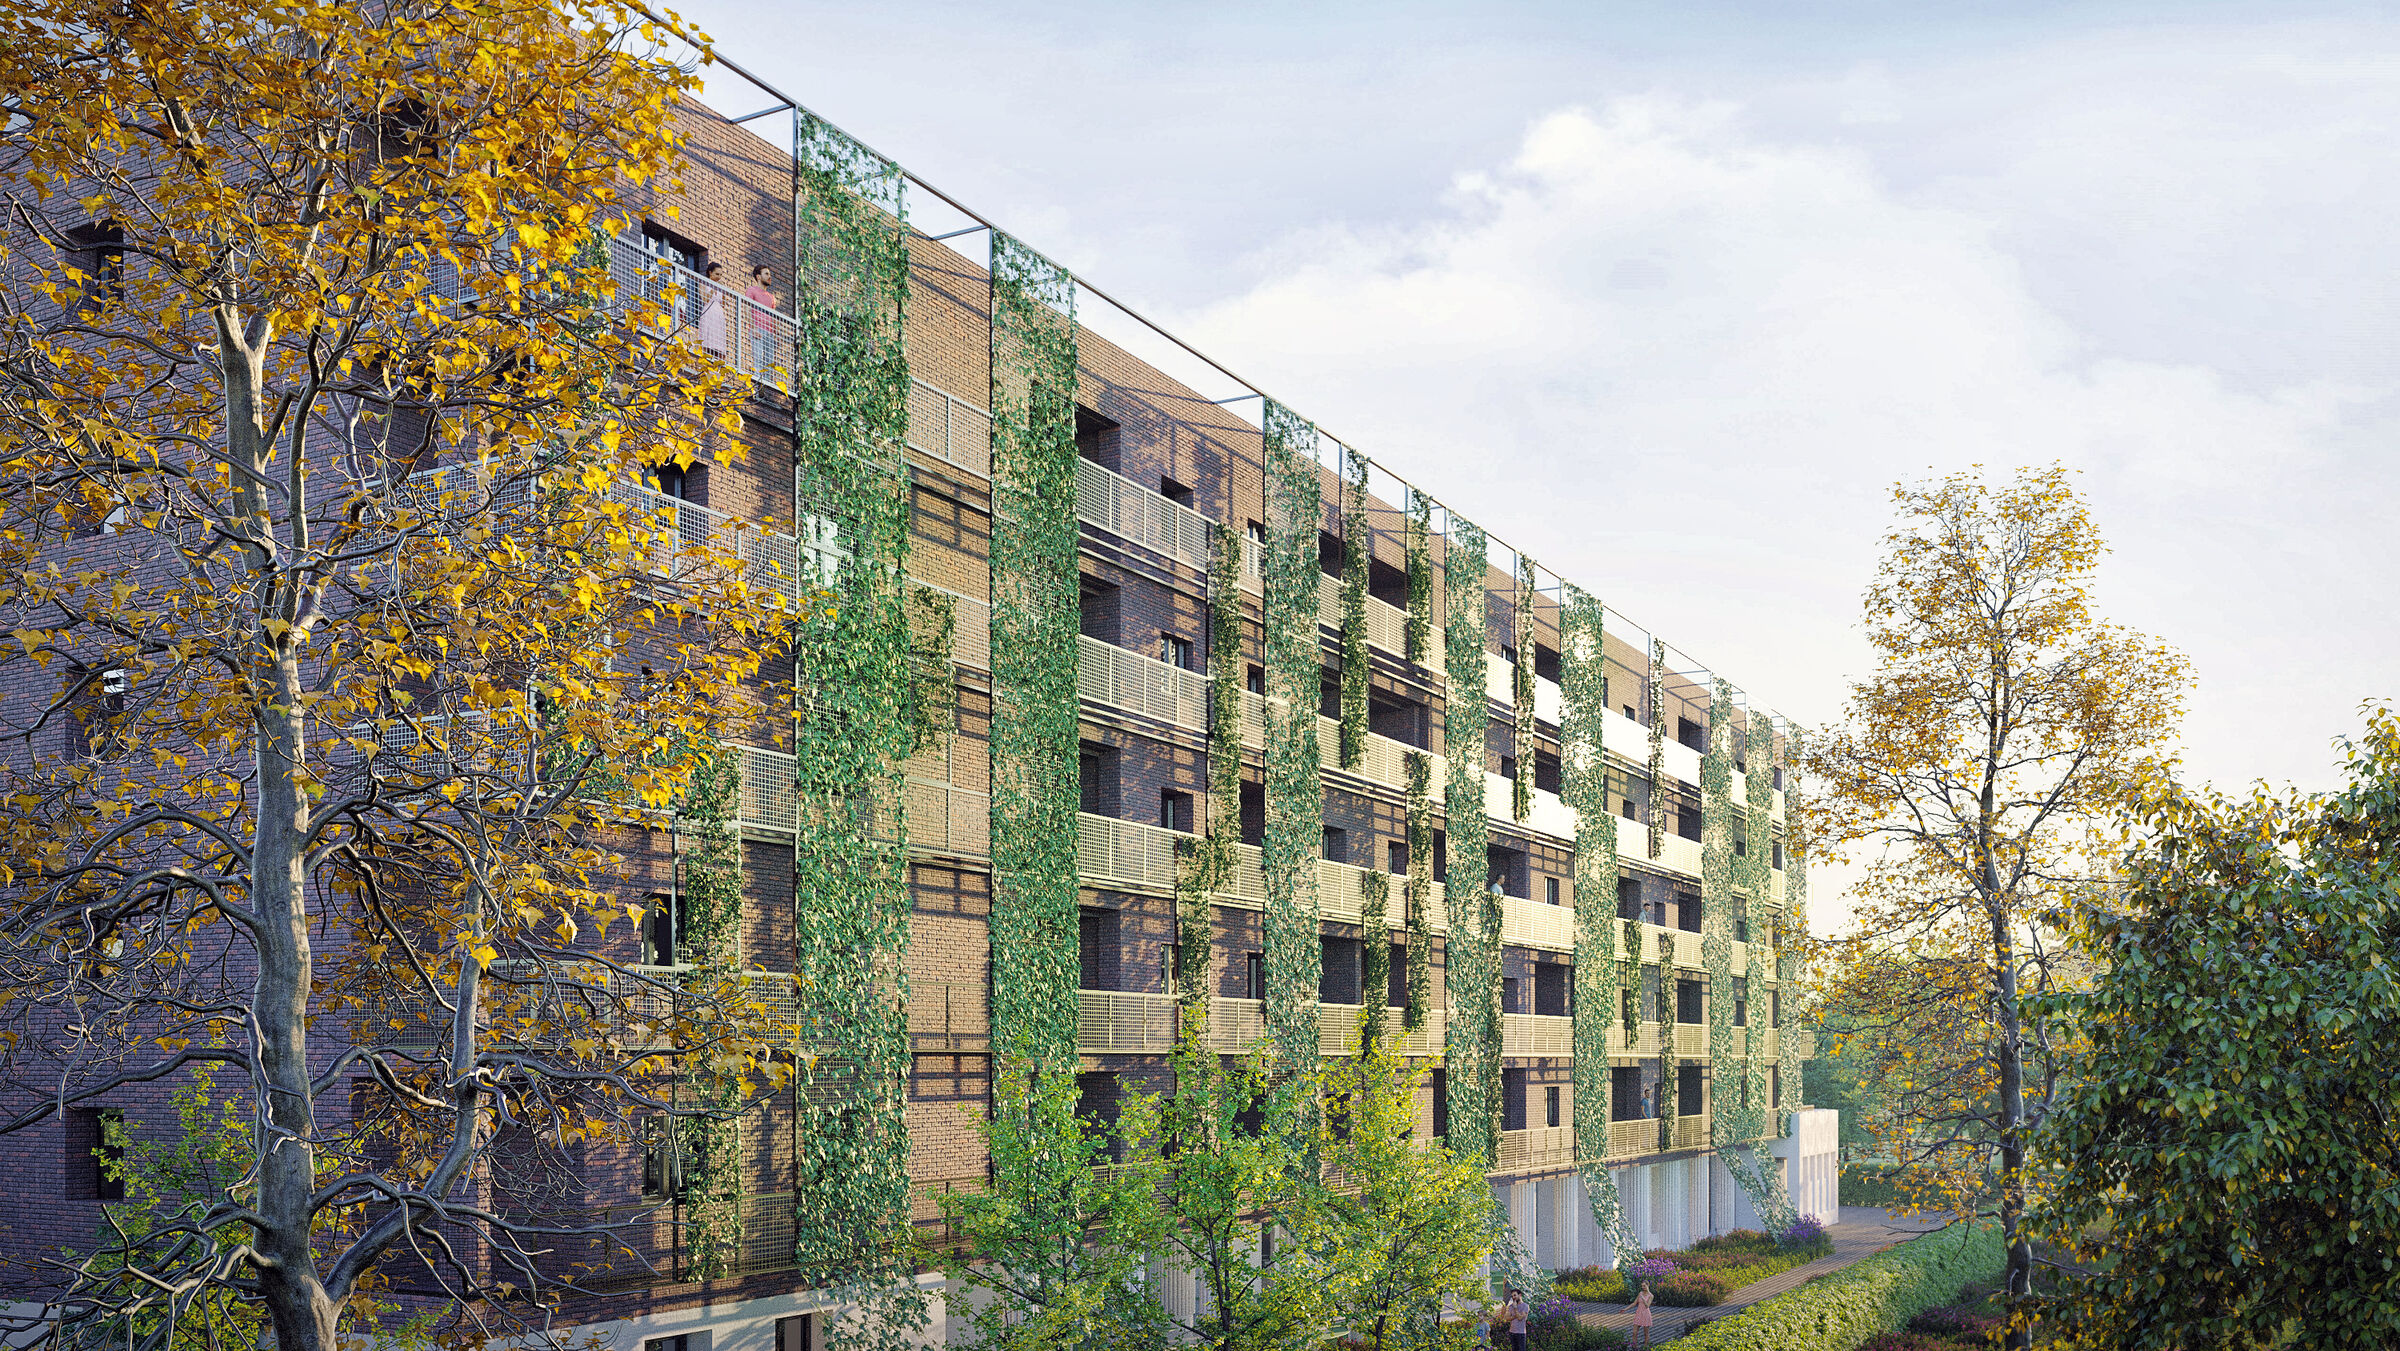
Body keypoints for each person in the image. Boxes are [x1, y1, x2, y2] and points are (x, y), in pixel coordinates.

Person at [744, 264, 779, 376]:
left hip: (769, 333)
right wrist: (753, 328)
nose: (770, 276)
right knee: (758, 358)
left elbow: (773, 316)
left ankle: (766, 387)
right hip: (757, 329)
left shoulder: (771, 297)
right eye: (766, 274)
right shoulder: (752, 290)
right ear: (758, 277)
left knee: (769, 362)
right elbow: (747, 308)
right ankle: (757, 387)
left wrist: (775, 332)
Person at [696, 261, 728, 355]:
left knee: (718, 340)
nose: (719, 277)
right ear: (710, 272)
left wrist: (723, 291)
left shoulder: (720, 285)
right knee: (707, 338)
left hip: (718, 313)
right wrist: (713, 289)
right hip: (709, 311)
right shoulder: (703, 283)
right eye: (717, 274)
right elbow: (705, 299)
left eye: (720, 275)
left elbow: (723, 304)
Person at [1495, 1286, 1529, 1351]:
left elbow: (1520, 1318)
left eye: (1515, 1295)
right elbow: (1507, 1318)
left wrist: (1515, 1308)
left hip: (1521, 1333)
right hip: (1512, 1332)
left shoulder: (1525, 1306)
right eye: (1512, 1296)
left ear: (1520, 1295)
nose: (1513, 1297)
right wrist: (1515, 1316)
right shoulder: (1511, 1306)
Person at [1629, 1280, 1655, 1350]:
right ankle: (1634, 1347)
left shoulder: (1651, 1295)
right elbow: (1634, 1303)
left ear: (1648, 1285)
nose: (1643, 1287)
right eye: (1642, 1286)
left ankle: (1645, 1347)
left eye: (1644, 1286)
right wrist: (1625, 1309)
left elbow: (1647, 1306)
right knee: (1634, 1332)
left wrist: (1643, 1298)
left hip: (1646, 1314)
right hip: (1638, 1313)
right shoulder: (1640, 1293)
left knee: (1646, 1333)